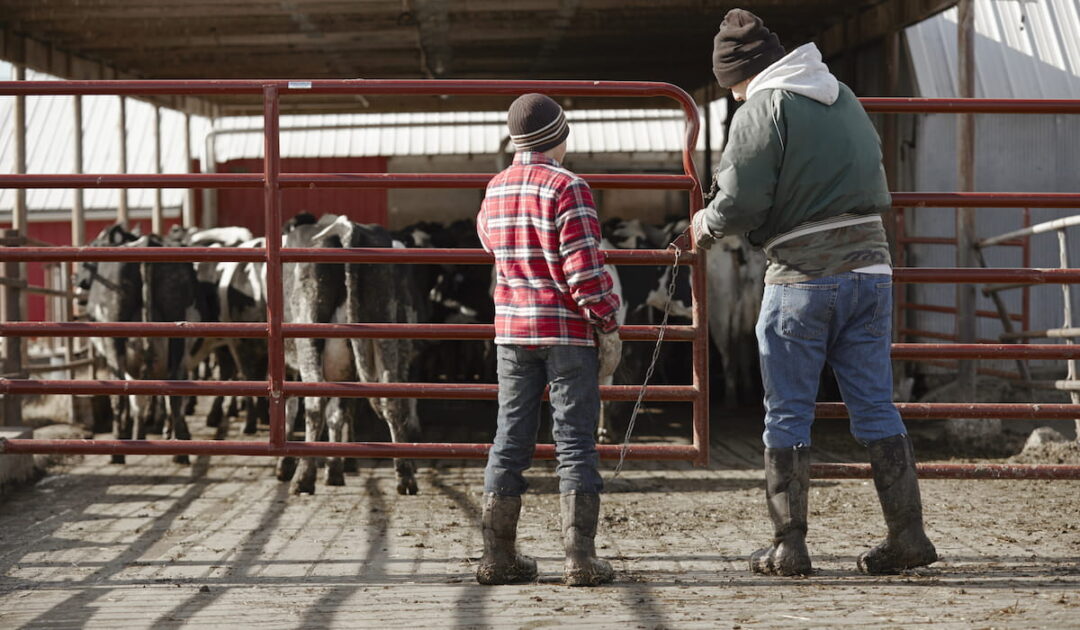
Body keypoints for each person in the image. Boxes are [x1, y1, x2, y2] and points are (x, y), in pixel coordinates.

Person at [693, 8, 938, 576]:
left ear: (740, 73)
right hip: (872, 271)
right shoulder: (843, 96)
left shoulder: (764, 107)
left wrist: (705, 225)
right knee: (876, 404)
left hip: (804, 276)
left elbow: (742, 199)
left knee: (787, 411)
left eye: (729, 85)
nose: (730, 96)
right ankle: (908, 536)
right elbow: (874, 178)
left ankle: (790, 544)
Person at [474, 93, 623, 587]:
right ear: (561, 135)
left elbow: (490, 243)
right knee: (576, 443)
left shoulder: (494, 188)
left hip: (512, 332)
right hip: (565, 333)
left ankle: (498, 557)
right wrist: (607, 320)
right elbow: (583, 267)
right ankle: (580, 559)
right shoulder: (569, 186)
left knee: (510, 439)